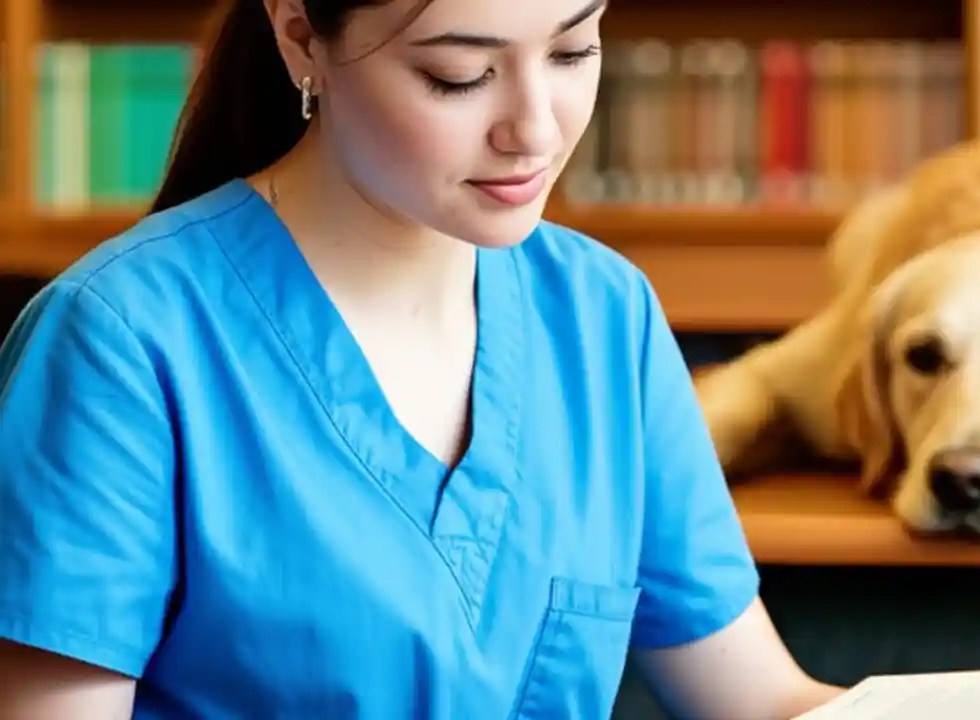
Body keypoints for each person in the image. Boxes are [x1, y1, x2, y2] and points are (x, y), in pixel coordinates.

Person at [0, 0, 847, 717]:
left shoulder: (604, 317)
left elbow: (763, 700)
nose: (535, 131)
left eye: (573, 51)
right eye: (459, 76)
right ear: (300, 39)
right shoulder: (120, 342)